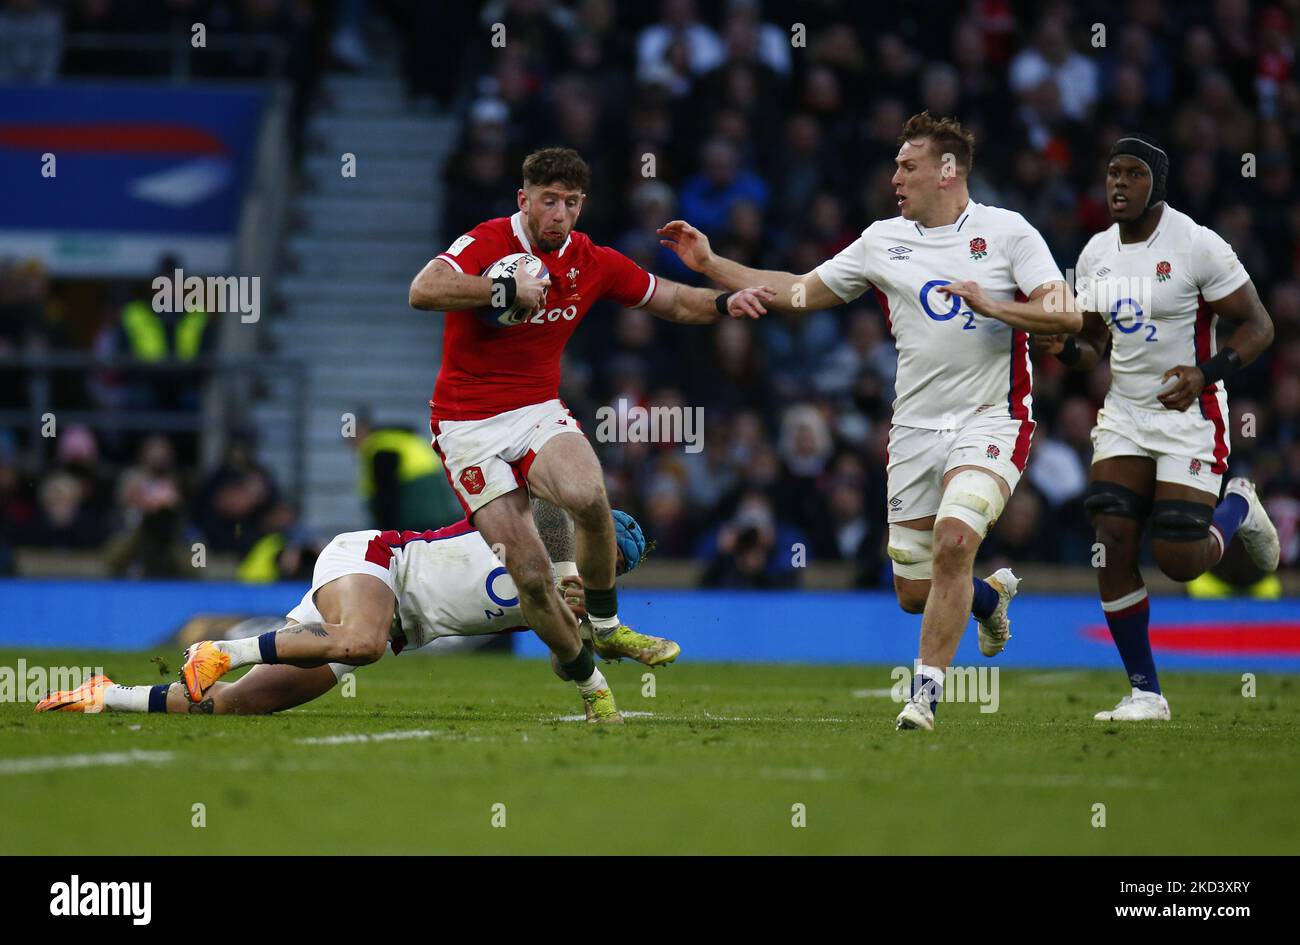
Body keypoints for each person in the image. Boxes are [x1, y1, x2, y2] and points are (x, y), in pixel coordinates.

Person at [659, 112, 1081, 730]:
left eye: (907, 167)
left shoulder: (1010, 233)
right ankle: (990, 598)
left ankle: (924, 697)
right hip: (912, 430)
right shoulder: (883, 240)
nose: (895, 179)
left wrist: (997, 305)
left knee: (955, 541)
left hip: (992, 419)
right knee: (917, 592)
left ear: (947, 170)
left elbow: (1066, 318)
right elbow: (798, 291)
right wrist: (712, 264)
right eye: (894, 167)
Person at [406, 146, 772, 700]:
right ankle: (588, 682)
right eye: (549, 201)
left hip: (535, 410)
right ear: (523, 200)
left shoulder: (590, 260)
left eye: (571, 203)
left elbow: (669, 300)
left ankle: (605, 626)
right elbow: (422, 291)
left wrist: (725, 303)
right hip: (466, 424)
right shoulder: (486, 241)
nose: (559, 214)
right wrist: (502, 289)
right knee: (529, 574)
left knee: (589, 495)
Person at [1039, 134, 1278, 722]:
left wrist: (1205, 373)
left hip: (1189, 414)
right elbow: (1094, 346)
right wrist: (1063, 350)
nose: (1118, 184)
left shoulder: (1198, 244)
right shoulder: (1095, 253)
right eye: (1112, 173)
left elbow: (1259, 326)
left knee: (1179, 559)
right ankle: (1146, 692)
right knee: (1111, 538)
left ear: (1158, 184)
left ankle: (1239, 507)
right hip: (1125, 413)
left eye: (1132, 174)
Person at [37, 502, 661, 725]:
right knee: (359, 644)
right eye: (605, 553)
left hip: (383, 623)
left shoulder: (559, 605)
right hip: (372, 562)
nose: (606, 569)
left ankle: (104, 696)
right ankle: (220, 651)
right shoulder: (537, 521)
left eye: (617, 569)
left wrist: (591, 658)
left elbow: (563, 659)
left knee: (238, 705)